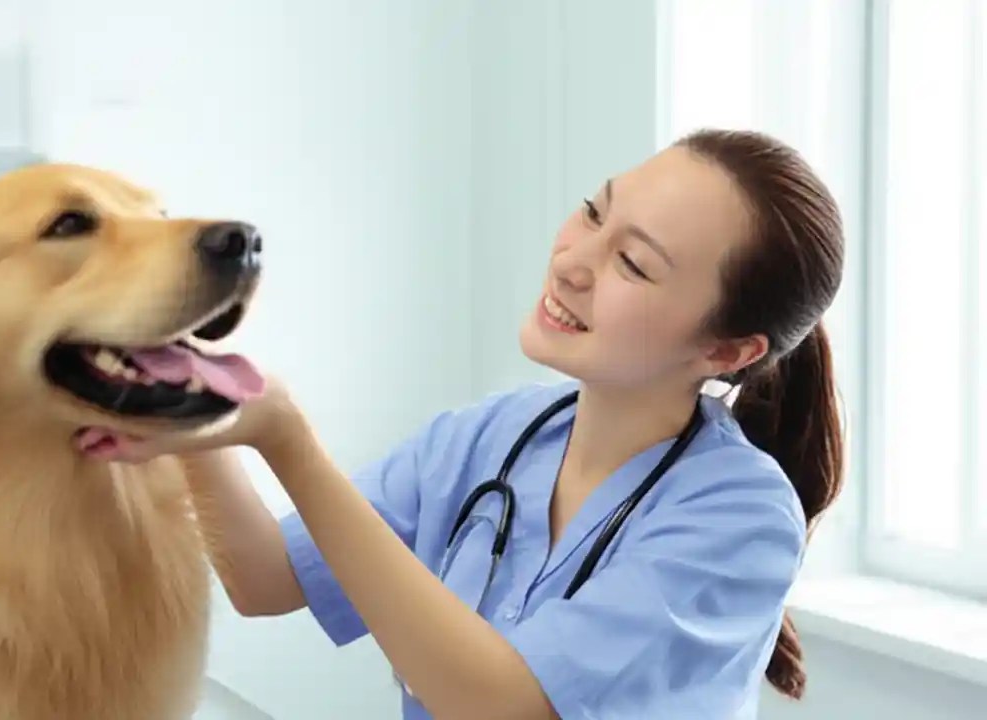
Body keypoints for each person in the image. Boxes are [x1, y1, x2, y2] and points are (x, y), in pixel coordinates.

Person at [104, 128, 846, 719]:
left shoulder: (739, 517)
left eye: (634, 264)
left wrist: (286, 439)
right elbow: (265, 577)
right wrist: (190, 383)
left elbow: (501, 705)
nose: (573, 262)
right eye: (593, 211)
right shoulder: (489, 439)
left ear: (725, 349)